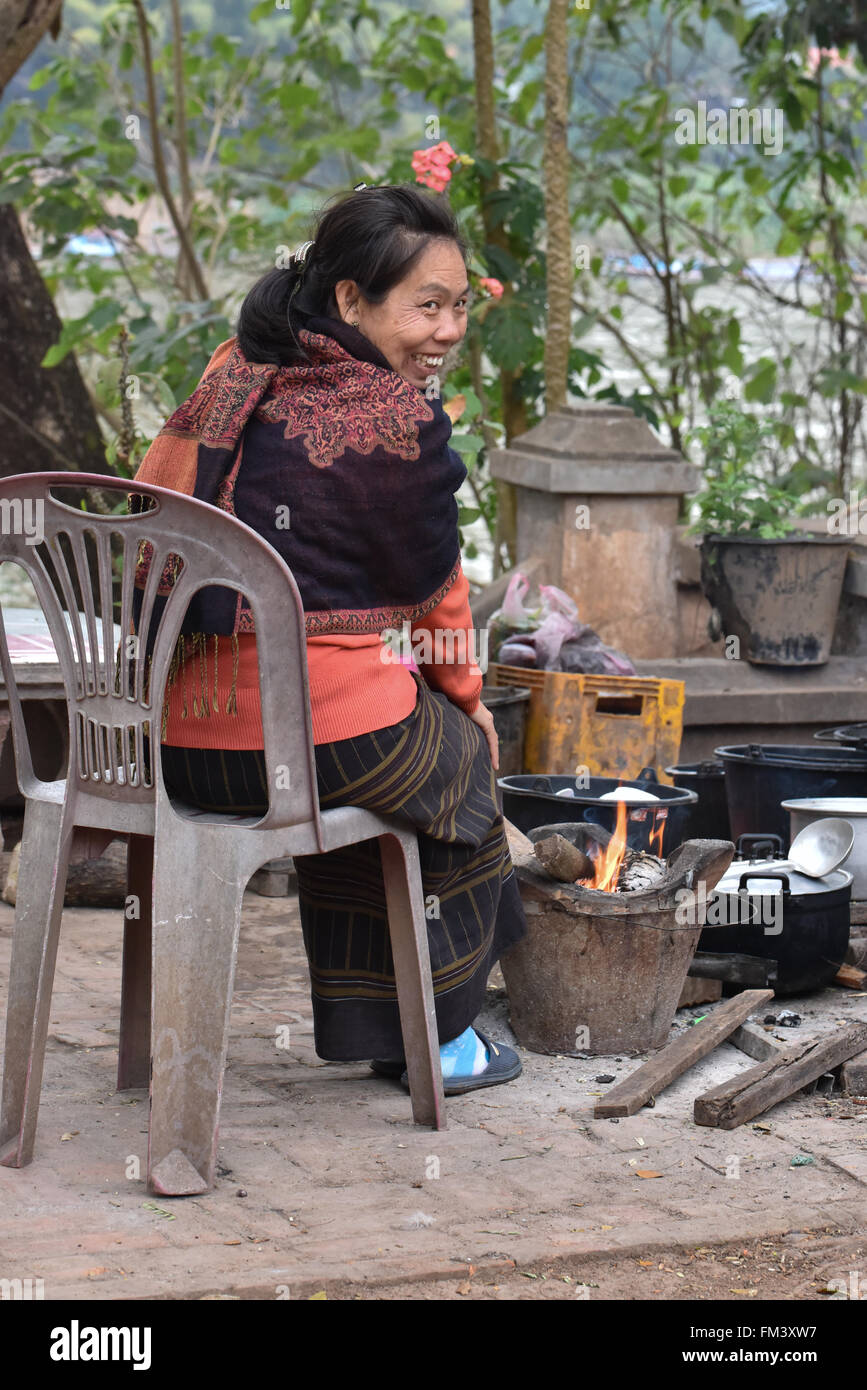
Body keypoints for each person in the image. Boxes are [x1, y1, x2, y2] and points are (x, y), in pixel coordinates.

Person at [130, 182, 527, 1094]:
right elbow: (440, 606)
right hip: (309, 753)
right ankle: (435, 1038)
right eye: (426, 306)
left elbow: (149, 526)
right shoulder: (399, 420)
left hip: (175, 749)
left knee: (383, 752)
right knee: (454, 764)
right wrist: (469, 707)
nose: (449, 329)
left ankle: (379, 1023)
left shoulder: (229, 373)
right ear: (350, 300)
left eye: (460, 305)